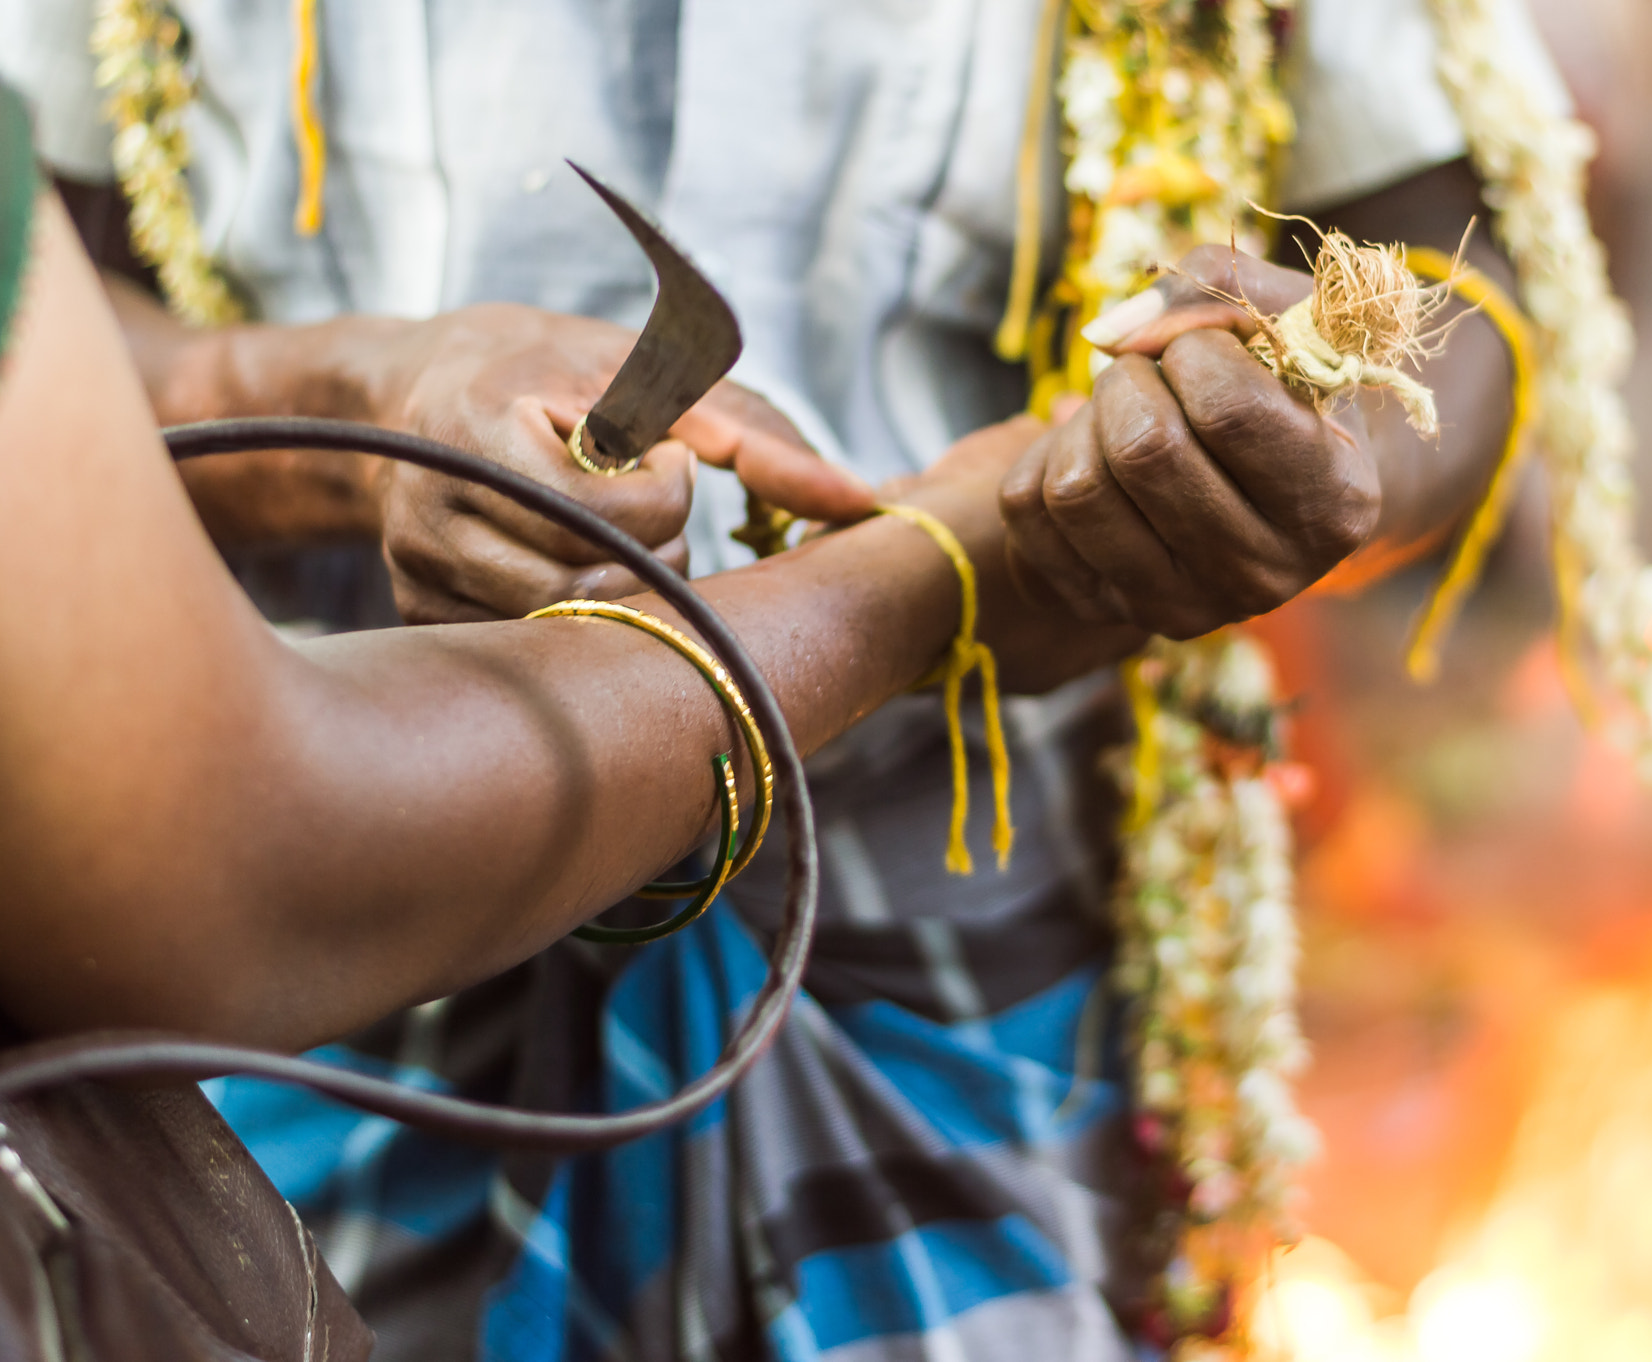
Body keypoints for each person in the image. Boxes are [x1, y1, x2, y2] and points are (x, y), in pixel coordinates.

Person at [0, 1, 1566, 1356]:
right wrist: (353, 414)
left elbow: (1470, 294)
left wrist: (1293, 422)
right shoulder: (227, 871)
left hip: (959, 921)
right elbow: (46, 314)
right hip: (333, 929)